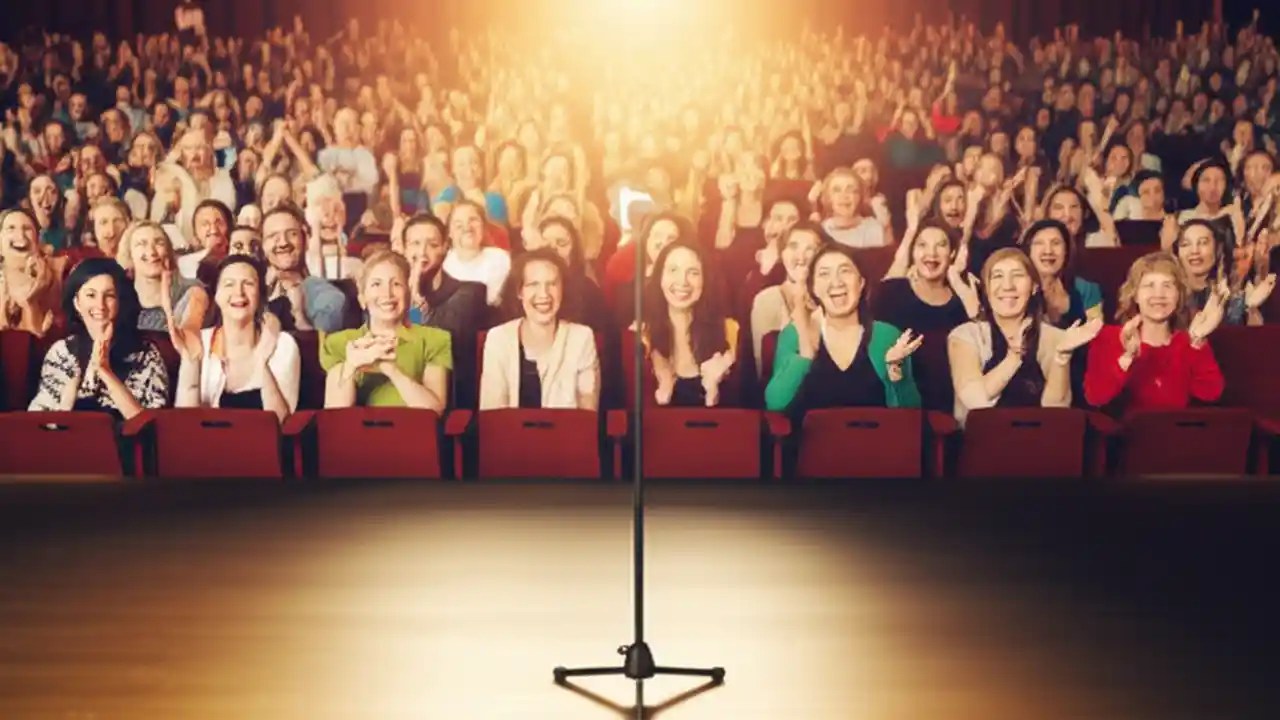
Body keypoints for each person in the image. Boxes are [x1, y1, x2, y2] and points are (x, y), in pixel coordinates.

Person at [948, 248, 1101, 426]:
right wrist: (1015, 357)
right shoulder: (965, 336)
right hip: (983, 441)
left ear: (1034, 286)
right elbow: (974, 399)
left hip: (1039, 442)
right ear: (987, 288)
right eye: (997, 276)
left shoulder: (1056, 338)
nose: (1007, 286)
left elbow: (1056, 410)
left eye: (1017, 275)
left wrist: (1061, 358)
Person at [765, 243, 924, 414]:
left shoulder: (887, 336)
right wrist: (806, 351)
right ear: (814, 288)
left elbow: (910, 417)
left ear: (861, 282)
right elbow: (775, 404)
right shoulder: (794, 335)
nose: (836, 282)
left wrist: (895, 373)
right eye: (824, 274)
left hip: (875, 439)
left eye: (845, 271)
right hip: (813, 440)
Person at [1084, 252, 1226, 413]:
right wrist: (1127, 357)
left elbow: (1211, 394)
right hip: (1125, 435)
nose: (1159, 295)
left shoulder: (1188, 343)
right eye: (1149, 285)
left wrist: (1197, 340)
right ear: (1135, 295)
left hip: (1175, 433)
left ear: (1178, 295)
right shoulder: (1108, 337)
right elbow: (1096, 397)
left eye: (1167, 285)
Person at [28, 258, 168, 420]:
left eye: (109, 296)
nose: (100, 305)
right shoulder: (62, 353)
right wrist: (66, 404)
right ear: (77, 303)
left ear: (120, 302)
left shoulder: (146, 354)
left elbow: (151, 426)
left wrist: (104, 370)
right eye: (91, 295)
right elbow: (39, 426)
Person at [171, 255, 300, 422]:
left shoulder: (283, 345)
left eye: (248, 284)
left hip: (264, 445)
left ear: (260, 296)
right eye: (229, 284)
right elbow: (185, 425)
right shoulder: (199, 341)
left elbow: (282, 423)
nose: (238, 292)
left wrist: (262, 361)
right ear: (216, 295)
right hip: (208, 445)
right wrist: (191, 364)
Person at [321, 251, 451, 410]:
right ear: (362, 299)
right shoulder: (340, 342)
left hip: (413, 432)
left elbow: (434, 410)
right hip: (358, 433)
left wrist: (390, 369)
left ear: (408, 295)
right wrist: (351, 365)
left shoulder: (434, 339)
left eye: (396, 284)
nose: (387, 293)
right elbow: (335, 413)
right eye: (376, 284)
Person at [479, 249, 600, 410]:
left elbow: (587, 413)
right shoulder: (498, 338)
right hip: (510, 434)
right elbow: (492, 412)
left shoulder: (582, 338)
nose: (544, 294)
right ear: (519, 291)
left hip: (566, 434)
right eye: (533, 284)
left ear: (563, 289)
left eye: (552, 284)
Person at [640, 240, 738, 407]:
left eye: (693, 273)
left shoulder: (731, 332)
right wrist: (662, 394)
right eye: (673, 270)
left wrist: (714, 392)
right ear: (659, 277)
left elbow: (743, 416)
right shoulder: (641, 336)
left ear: (706, 280)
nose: (682, 282)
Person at [259, 205, 348, 332]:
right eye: (273, 236)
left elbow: (322, 348)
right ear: (263, 246)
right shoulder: (254, 294)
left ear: (305, 239)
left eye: (292, 234)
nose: (283, 242)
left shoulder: (328, 298)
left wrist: (299, 316)